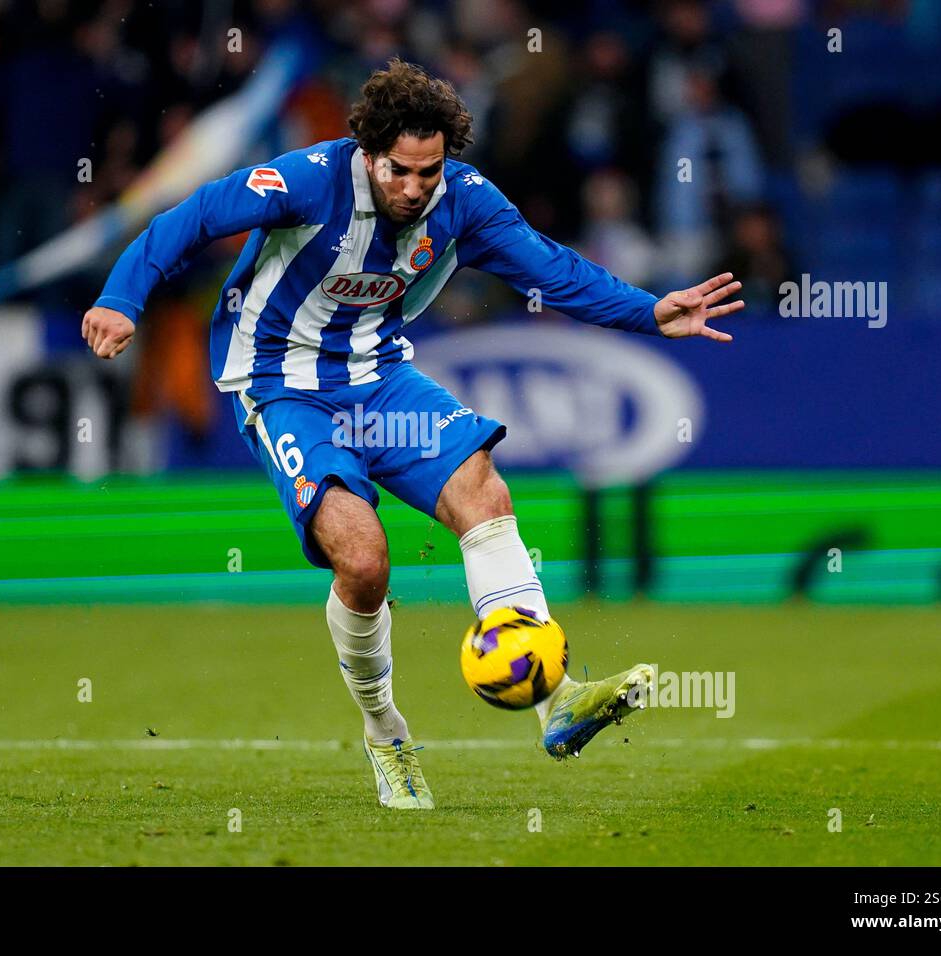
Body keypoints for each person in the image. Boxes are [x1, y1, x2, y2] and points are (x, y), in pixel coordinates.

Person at [82, 58, 743, 810]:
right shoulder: (308, 180)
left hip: (378, 378)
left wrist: (650, 312)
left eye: (429, 172)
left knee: (482, 490)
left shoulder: (464, 202)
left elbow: (551, 271)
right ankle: (385, 732)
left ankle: (554, 696)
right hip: (279, 384)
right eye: (400, 171)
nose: (414, 188)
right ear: (368, 152)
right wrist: (121, 297)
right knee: (363, 561)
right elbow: (192, 215)